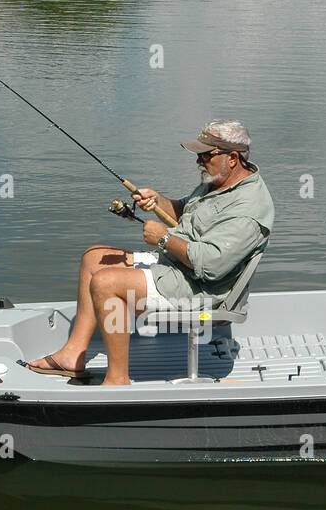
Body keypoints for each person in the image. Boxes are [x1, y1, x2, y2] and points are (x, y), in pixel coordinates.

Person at [23, 119, 274, 386]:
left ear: (232, 157)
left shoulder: (248, 208)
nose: (199, 161)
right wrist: (157, 201)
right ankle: (73, 356)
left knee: (106, 283)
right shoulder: (220, 180)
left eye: (205, 155)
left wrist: (163, 239)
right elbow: (185, 213)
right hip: (178, 266)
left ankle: (118, 379)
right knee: (94, 257)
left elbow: (211, 265)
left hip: (202, 289)